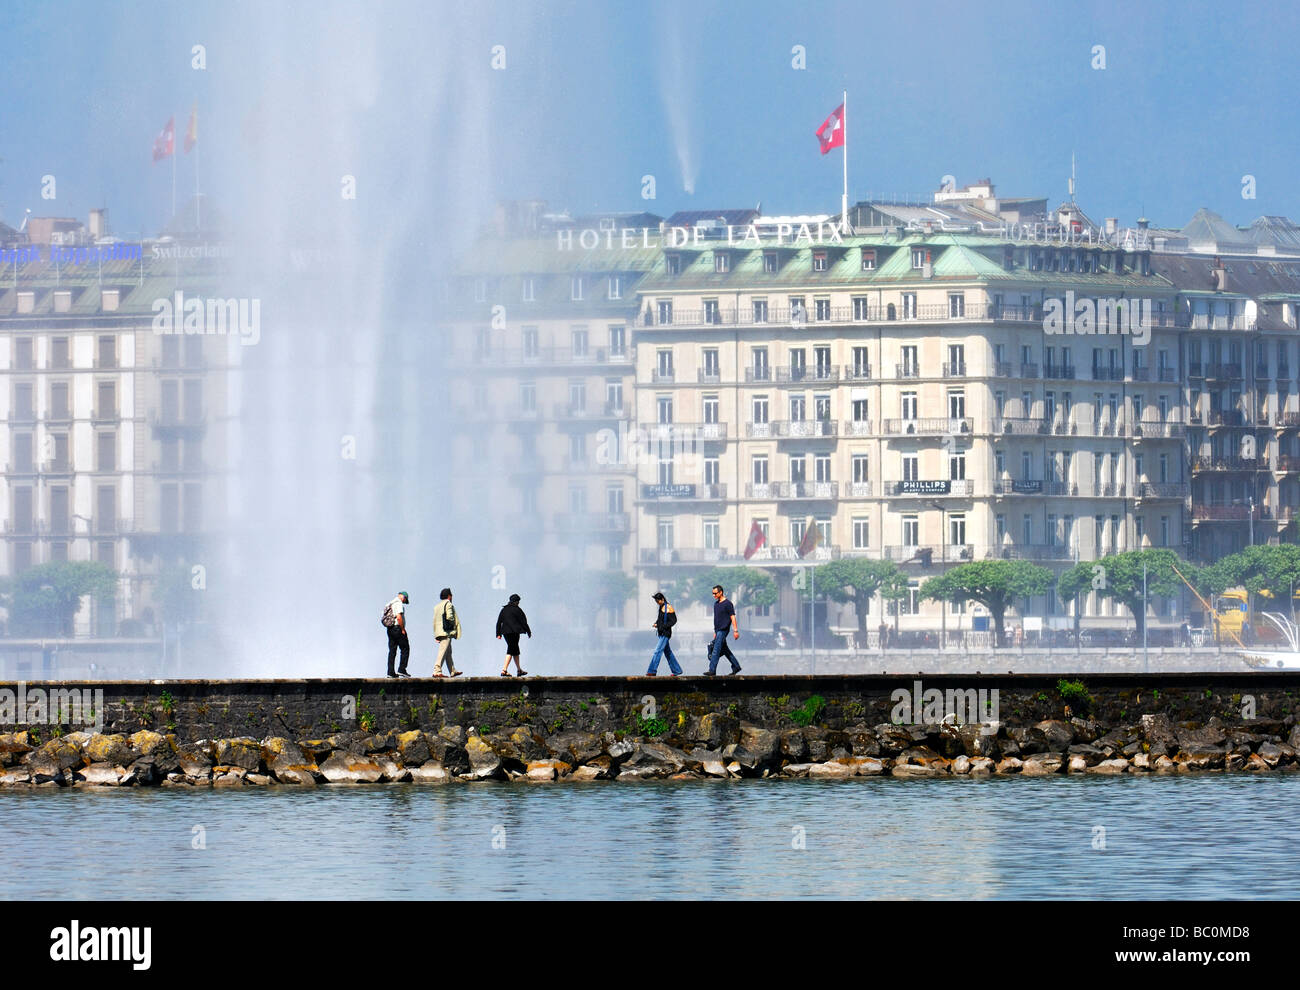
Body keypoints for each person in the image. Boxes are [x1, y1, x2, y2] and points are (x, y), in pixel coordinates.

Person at [704, 584, 741, 676]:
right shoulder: (716, 604)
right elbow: (717, 619)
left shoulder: (728, 604)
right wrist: (715, 632)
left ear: (721, 592)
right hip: (718, 630)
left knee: (716, 649)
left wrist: (735, 630)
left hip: (724, 630)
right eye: (713, 593)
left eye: (715, 593)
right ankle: (736, 666)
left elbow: (732, 617)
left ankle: (712, 670)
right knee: (725, 650)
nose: (714, 595)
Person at [646, 591, 682, 677]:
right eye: (656, 601)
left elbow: (674, 621)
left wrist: (663, 626)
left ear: (662, 599)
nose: (657, 603)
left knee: (657, 651)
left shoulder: (668, 607)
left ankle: (652, 671)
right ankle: (677, 670)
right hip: (661, 633)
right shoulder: (661, 607)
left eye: (658, 601)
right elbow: (660, 619)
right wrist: (656, 624)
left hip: (666, 633)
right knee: (668, 653)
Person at [495, 593, 531, 677]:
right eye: (518, 601)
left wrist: (498, 633)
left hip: (505, 633)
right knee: (511, 649)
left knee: (515, 650)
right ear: (515, 602)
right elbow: (524, 622)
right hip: (514, 632)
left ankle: (519, 670)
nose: (518, 603)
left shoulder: (504, 610)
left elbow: (499, 622)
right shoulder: (517, 610)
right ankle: (504, 670)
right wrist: (528, 631)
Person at [433, 587, 464, 678]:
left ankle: (452, 670)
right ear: (449, 596)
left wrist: (436, 635)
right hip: (447, 632)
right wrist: (453, 626)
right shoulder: (448, 604)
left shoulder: (437, 607)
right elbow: (450, 617)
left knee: (448, 652)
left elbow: (434, 621)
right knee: (443, 651)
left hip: (439, 632)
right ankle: (437, 671)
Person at [384, 591, 411, 678]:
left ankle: (390, 672)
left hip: (390, 629)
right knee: (405, 648)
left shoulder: (389, 603)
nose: (404, 601)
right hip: (397, 628)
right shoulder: (398, 603)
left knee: (392, 651)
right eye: (405, 599)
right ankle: (402, 669)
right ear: (403, 596)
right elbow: (399, 617)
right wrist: (403, 629)